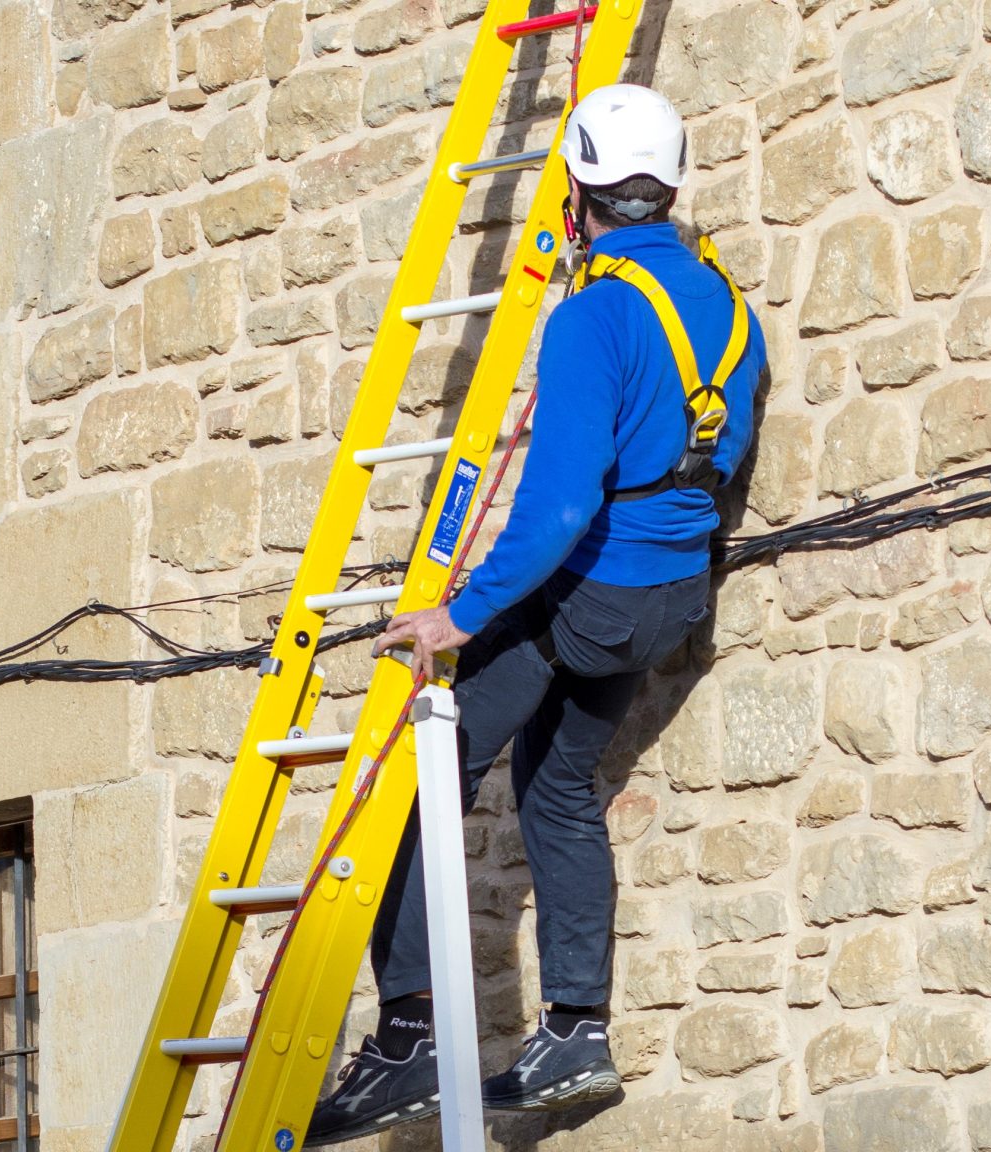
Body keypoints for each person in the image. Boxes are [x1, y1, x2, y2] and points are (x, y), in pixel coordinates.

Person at [304, 83, 769, 1146]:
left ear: (576, 195)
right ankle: (572, 1030)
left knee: (426, 774)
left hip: (591, 593)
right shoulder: (723, 302)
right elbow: (719, 449)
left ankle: (409, 1041)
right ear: (668, 187)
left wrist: (458, 616)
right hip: (670, 598)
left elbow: (559, 504)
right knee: (554, 786)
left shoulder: (591, 315)